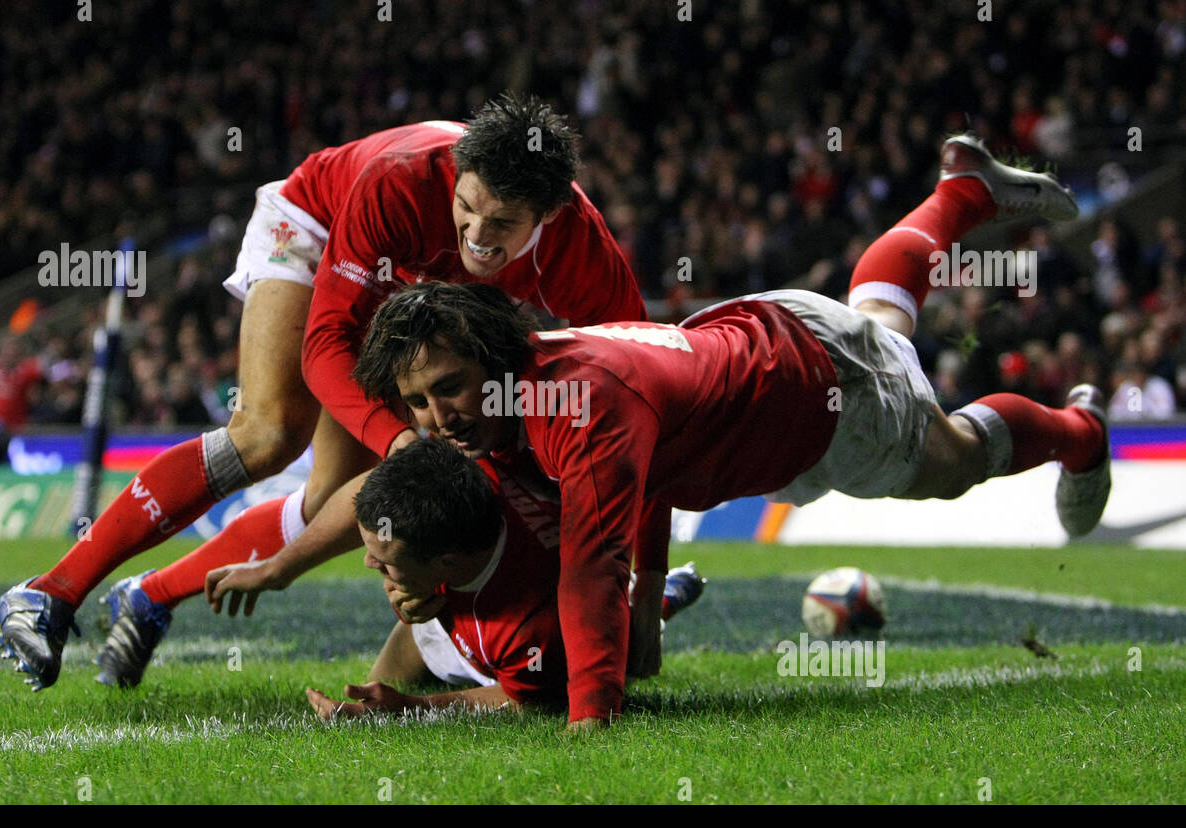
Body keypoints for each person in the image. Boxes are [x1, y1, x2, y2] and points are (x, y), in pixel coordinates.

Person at [333, 135, 1111, 728]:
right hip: (768, 340)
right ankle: (961, 194)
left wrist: (591, 718)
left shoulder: (574, 403)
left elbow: (590, 563)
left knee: (957, 461)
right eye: (417, 403)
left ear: (490, 358)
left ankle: (1080, 433)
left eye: (447, 389)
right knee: (881, 322)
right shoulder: (529, 392)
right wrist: (645, 605)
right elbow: (646, 476)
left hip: (819, 397)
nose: (437, 419)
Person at [0, 95, 653, 691]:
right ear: (454, 171)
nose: (478, 235)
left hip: (417, 293)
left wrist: (644, 590)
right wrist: (399, 444)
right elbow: (325, 346)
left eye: (503, 223)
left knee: (327, 503)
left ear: (552, 215)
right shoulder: (400, 182)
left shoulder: (585, 257)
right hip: (314, 225)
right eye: (467, 207)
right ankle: (48, 593)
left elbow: (650, 425)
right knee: (270, 432)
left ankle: (149, 597)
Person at [203, 438, 703, 718]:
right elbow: (366, 493)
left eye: (385, 558)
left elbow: (521, 702)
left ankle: (657, 603)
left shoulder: (533, 633)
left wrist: (411, 710)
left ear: (446, 564)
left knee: (621, 653)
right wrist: (276, 568)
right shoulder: (470, 477)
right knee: (405, 638)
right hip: (483, 583)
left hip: (555, 635)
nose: (368, 564)